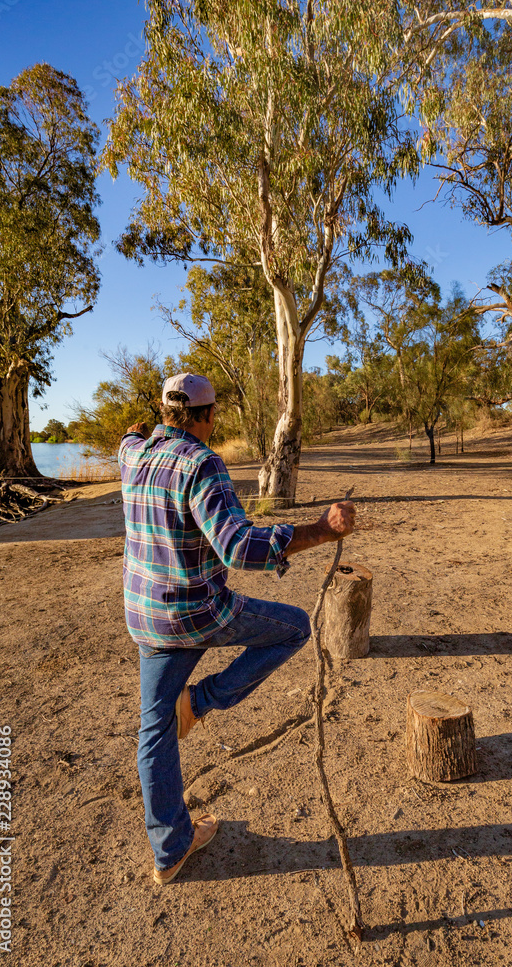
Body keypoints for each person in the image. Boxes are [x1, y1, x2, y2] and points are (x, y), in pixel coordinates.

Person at [119, 372, 355, 885]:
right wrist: (319, 530)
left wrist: (137, 431)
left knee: (154, 729)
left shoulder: (133, 455)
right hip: (198, 612)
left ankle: (171, 850)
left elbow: (129, 437)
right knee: (293, 629)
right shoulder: (202, 463)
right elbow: (237, 548)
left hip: (145, 616)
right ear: (207, 416)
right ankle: (201, 702)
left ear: (164, 412)